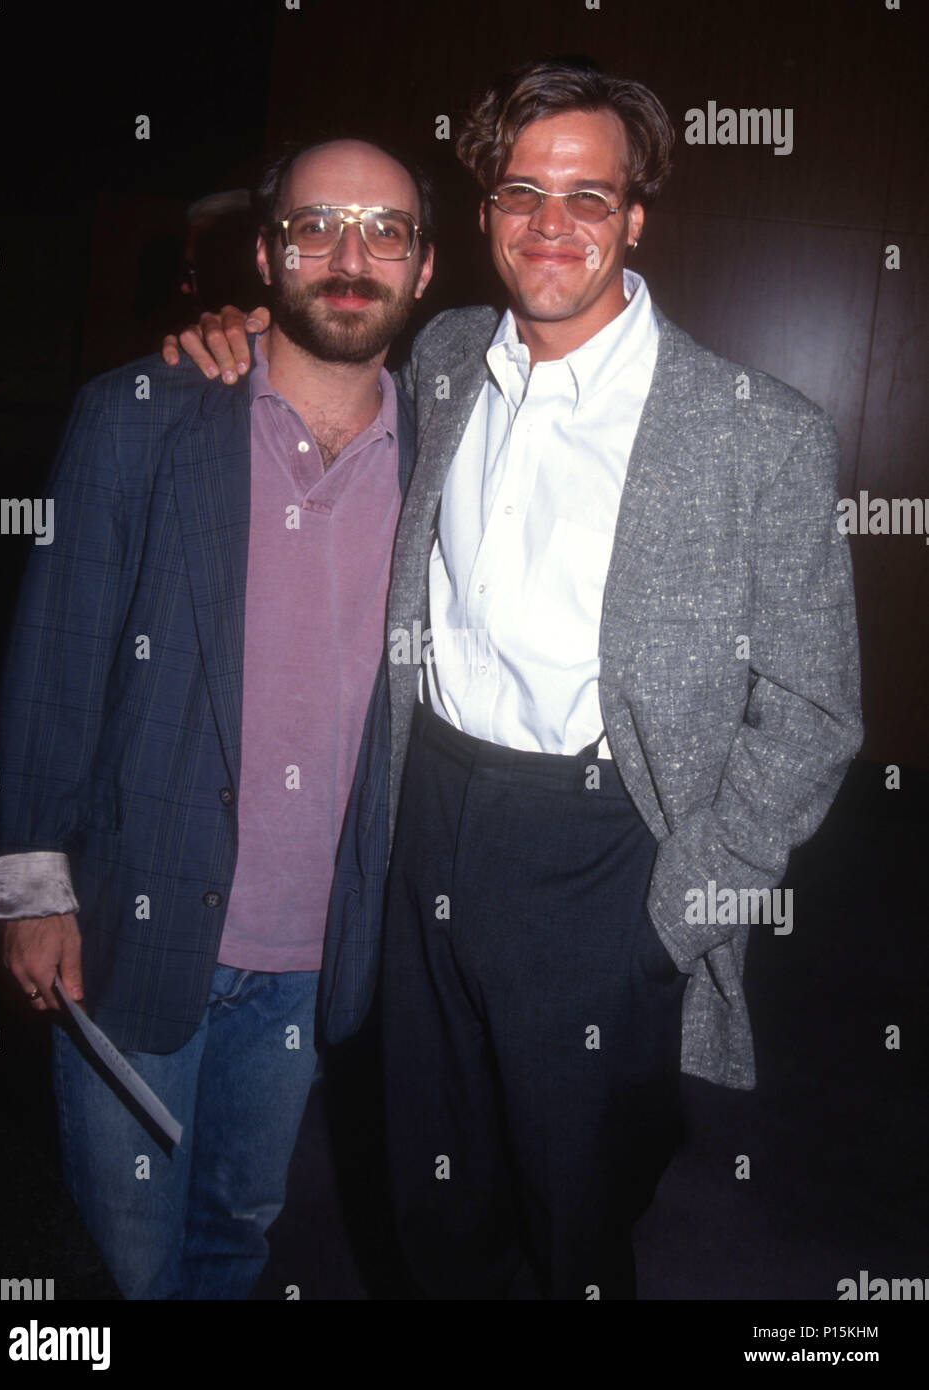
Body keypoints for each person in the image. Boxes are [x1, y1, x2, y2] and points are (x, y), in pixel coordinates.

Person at [171, 56, 863, 1301]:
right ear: (484, 213)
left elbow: (812, 713)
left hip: (606, 854)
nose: (552, 226)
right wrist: (234, 327)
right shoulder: (443, 355)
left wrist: (681, 908)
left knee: (575, 1207)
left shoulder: (759, 431)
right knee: (429, 1195)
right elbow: (321, 347)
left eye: (588, 198)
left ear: (635, 218)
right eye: (520, 194)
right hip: (428, 810)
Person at [0, 136, 434, 1299]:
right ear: (269, 253)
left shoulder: (448, 452)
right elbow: (55, 657)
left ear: (425, 271)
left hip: (314, 950)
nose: (348, 255)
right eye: (316, 225)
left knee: (239, 1235)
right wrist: (30, 890)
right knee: (124, 1261)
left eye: (384, 230)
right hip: (133, 926)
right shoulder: (141, 413)